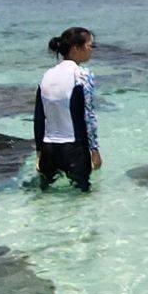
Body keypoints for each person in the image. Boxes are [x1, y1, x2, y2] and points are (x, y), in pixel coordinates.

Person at [35, 27, 101, 191]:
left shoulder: (47, 75)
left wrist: (39, 151)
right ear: (75, 48)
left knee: (45, 200)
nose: (91, 50)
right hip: (74, 149)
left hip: (48, 150)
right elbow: (89, 115)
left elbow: (39, 117)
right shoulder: (82, 75)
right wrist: (94, 150)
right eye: (89, 46)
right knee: (83, 200)